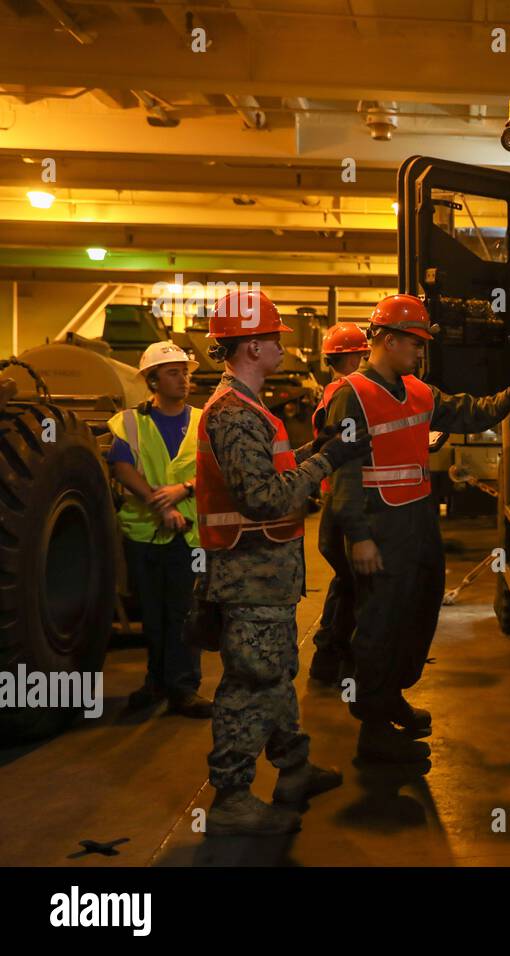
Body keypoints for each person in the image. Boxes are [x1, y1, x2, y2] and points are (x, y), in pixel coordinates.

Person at [325, 294, 510, 763]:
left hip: (417, 520)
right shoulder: (351, 395)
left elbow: (472, 412)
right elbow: (341, 472)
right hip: (378, 526)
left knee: (416, 611)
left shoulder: (419, 390)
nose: (420, 353)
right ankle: (374, 729)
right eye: (413, 343)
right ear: (383, 339)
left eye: (422, 345)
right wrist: (357, 536)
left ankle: (392, 695)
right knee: (380, 622)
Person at [196, 288, 371, 837]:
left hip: (265, 573)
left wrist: (309, 449)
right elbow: (264, 498)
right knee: (251, 682)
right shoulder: (232, 415)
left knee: (274, 673)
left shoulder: (248, 409)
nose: (281, 346)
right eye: (274, 338)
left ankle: (293, 770)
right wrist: (326, 459)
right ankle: (230, 797)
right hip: (248, 575)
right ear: (250, 346)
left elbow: (268, 475)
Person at [107, 341, 211, 718]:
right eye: (173, 372)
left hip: (192, 536)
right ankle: (156, 681)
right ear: (152, 379)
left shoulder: (204, 420)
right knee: (152, 613)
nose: (183, 378)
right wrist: (159, 502)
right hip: (144, 532)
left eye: (185, 372)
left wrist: (184, 489)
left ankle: (184, 688)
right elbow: (122, 467)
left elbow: (215, 469)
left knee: (186, 611)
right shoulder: (131, 422)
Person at [308, 322, 368, 684]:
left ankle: (330, 657)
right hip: (339, 498)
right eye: (362, 356)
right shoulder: (345, 393)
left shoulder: (332, 390)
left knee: (346, 582)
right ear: (351, 358)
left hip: (332, 495)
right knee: (353, 583)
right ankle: (332, 656)